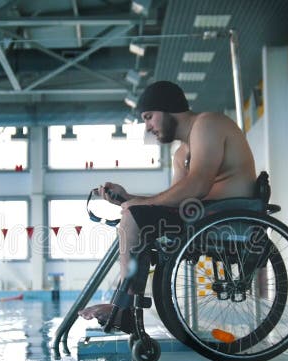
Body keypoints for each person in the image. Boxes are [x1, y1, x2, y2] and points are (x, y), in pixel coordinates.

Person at [78, 80, 258, 331]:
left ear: (168, 109)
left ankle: (124, 307)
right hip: (203, 215)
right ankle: (124, 306)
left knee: (133, 214)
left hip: (230, 215)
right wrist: (129, 198)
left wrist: (136, 205)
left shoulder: (207, 124)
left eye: (149, 117)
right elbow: (175, 199)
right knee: (133, 215)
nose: (148, 127)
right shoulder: (181, 153)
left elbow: (197, 187)